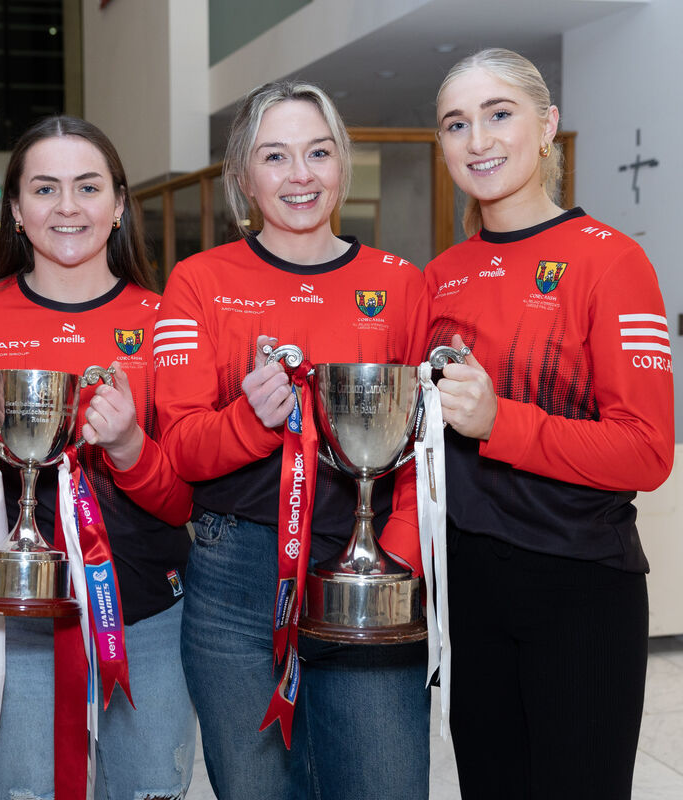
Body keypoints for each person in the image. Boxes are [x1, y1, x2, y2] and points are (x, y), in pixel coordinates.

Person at [154, 80, 431, 799]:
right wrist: (250, 419)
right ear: (243, 175)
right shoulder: (199, 282)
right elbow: (182, 449)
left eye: (317, 152)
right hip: (235, 576)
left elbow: (423, 451)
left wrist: (393, 558)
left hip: (364, 566)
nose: (300, 175)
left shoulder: (401, 284)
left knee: (384, 783)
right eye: (275, 156)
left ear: (342, 163)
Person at [425, 48, 675, 799]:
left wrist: (503, 421)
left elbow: (646, 451)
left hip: (579, 587)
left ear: (547, 127)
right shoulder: (441, 274)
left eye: (499, 114)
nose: (479, 140)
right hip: (468, 588)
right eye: (456, 124)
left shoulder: (613, 261)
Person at [0, 115, 196, 800]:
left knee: (149, 790)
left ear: (118, 205)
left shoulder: (165, 320)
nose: (68, 207)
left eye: (87, 187)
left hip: (144, 613)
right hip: (17, 612)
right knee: (18, 790)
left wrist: (131, 448)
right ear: (17, 213)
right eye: (45, 190)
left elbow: (185, 500)